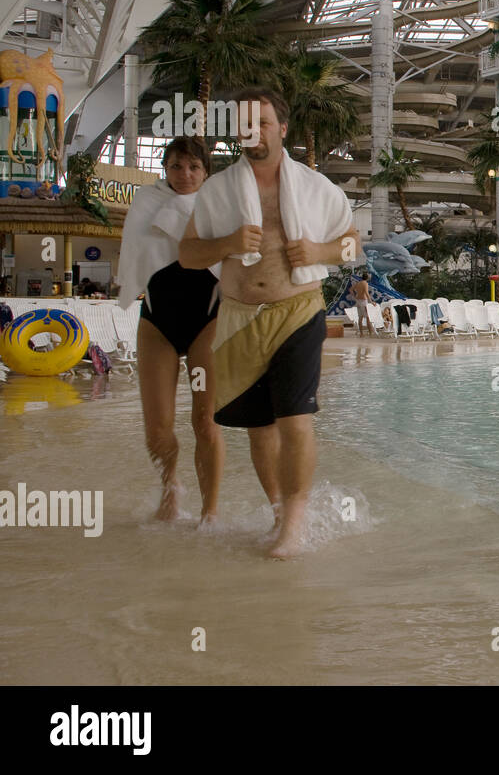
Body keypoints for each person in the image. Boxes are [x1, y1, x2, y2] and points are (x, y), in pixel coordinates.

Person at [180, 88, 359, 559]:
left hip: (298, 309)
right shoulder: (217, 191)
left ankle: (295, 524)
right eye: (243, 122)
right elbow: (188, 253)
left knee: (295, 418)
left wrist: (319, 252)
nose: (252, 131)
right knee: (260, 428)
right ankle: (279, 511)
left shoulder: (317, 189)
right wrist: (227, 243)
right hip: (239, 318)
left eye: (262, 122)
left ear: (282, 128)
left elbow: (352, 246)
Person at [118, 136, 225, 524]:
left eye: (194, 167)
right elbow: (135, 257)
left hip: (206, 324)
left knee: (204, 421)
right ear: (165, 168)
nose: (185, 174)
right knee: (157, 427)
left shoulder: (220, 209)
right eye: (176, 166)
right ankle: (170, 488)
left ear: (206, 172)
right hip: (157, 323)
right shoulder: (146, 204)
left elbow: (239, 260)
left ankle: (209, 512)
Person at [350, 272, 374, 336]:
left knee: (360, 317)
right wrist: (371, 302)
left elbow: (351, 289)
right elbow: (366, 293)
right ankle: (370, 333)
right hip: (363, 301)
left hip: (358, 300)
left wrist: (355, 296)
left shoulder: (358, 283)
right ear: (367, 278)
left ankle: (361, 333)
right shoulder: (365, 283)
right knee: (368, 317)